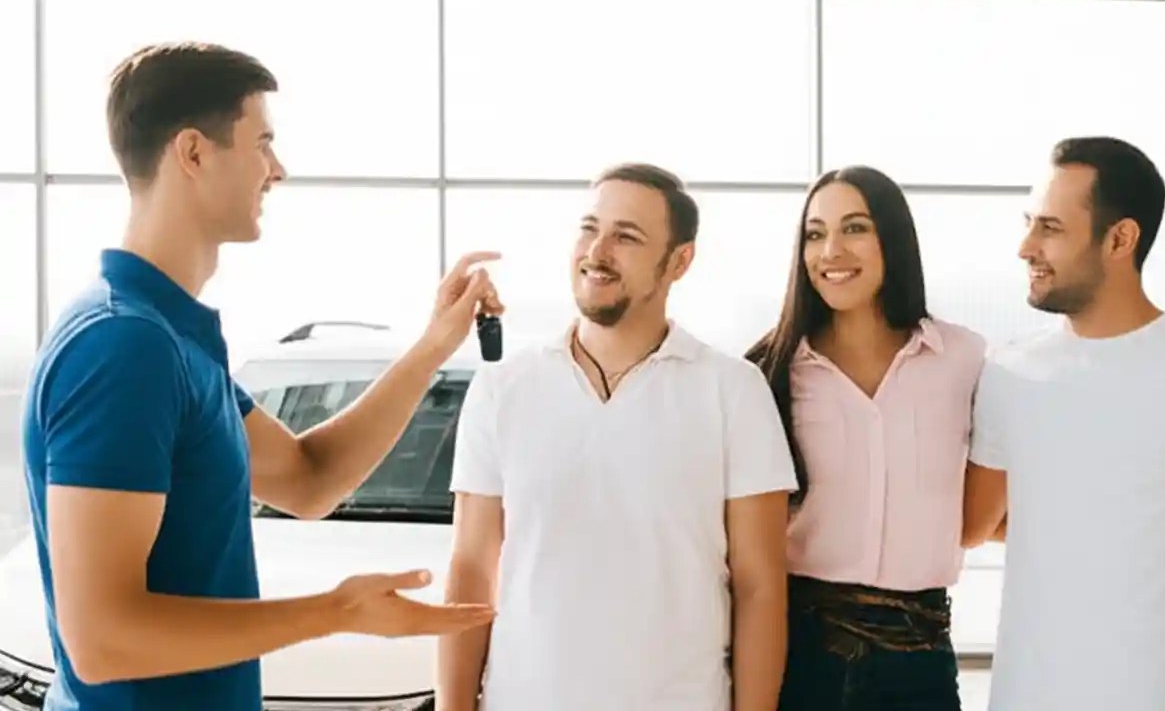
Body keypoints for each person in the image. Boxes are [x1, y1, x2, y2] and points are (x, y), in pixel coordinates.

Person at [20, 42, 500, 711]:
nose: (278, 170)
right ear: (193, 153)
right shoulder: (124, 346)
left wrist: (432, 346)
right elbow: (103, 640)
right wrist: (335, 611)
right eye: (262, 143)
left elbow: (308, 480)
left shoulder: (171, 336)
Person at [436, 163, 798, 711]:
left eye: (626, 236)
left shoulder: (734, 391)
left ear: (680, 261)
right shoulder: (502, 388)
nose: (597, 250)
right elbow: (470, 568)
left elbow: (760, 584)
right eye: (589, 227)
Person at [963, 136, 1165, 711]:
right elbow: (971, 523)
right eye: (1029, 222)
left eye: (1050, 228)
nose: (1025, 246)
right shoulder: (1009, 370)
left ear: (1120, 239)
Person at [746, 166, 984, 710]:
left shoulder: (964, 360)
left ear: (892, 240)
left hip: (921, 656)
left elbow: (987, 501)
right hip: (803, 654)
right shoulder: (767, 374)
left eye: (854, 228)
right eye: (814, 233)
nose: (831, 250)